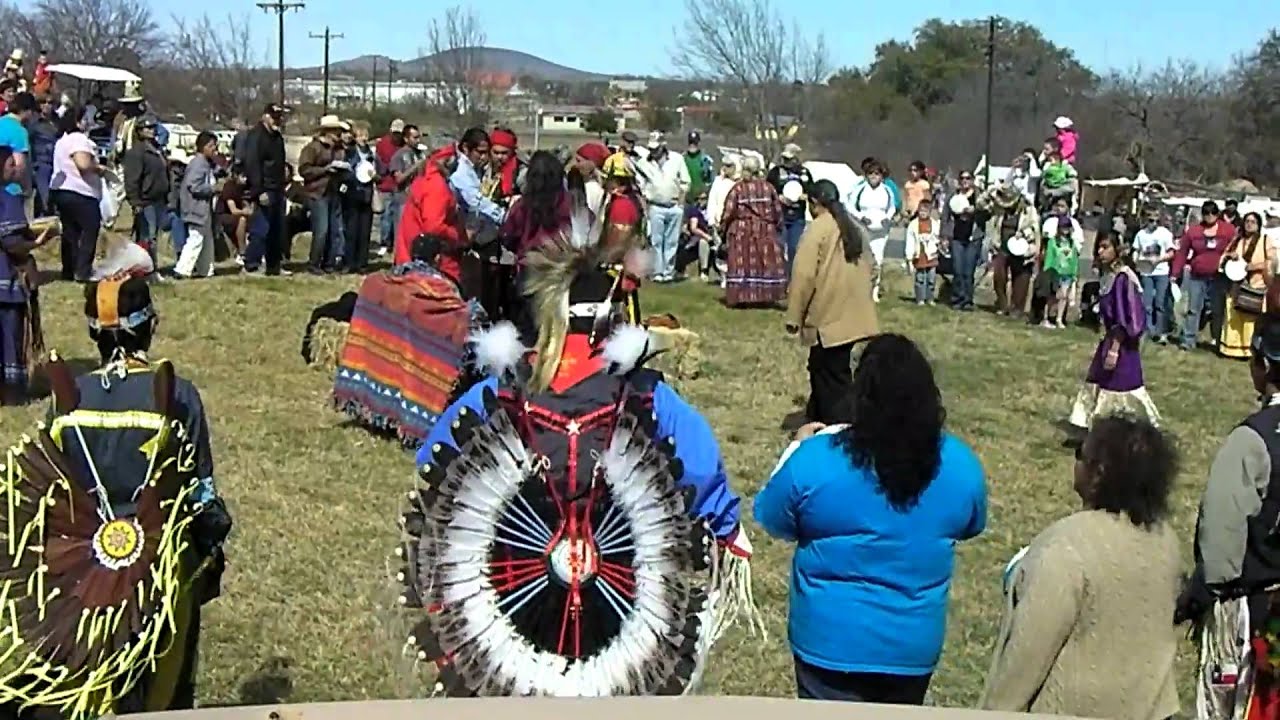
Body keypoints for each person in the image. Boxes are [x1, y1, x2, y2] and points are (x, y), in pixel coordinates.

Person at [404, 227, 758, 697]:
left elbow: (437, 464)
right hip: (625, 602)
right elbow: (700, 480)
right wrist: (725, 529)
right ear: (613, 327)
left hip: (504, 599)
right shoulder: (650, 398)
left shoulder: (499, 394)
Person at [0, 247, 232, 717]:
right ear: (150, 326)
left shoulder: (71, 396)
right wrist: (209, 550)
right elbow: (200, 493)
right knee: (161, 684)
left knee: (84, 671)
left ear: (94, 333)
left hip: (80, 568)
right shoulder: (175, 393)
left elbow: (54, 486)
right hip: (158, 570)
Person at [754, 333, 987, 703]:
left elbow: (772, 517)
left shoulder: (815, 459)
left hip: (828, 642)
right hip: (911, 646)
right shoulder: (961, 465)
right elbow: (973, 523)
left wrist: (796, 446)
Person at [980, 416, 1180, 719]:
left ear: (1098, 473)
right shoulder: (1166, 539)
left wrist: (995, 712)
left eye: (1080, 455)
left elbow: (1026, 656)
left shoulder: (1064, 548)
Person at [786, 179, 878, 425]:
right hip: (852, 314)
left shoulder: (817, 229)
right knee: (821, 368)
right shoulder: (853, 226)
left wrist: (794, 316)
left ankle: (840, 428)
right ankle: (815, 418)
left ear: (814, 203)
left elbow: (803, 276)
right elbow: (873, 268)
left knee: (831, 377)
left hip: (829, 317)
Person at [1068, 233, 1159, 433]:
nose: (1100, 252)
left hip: (1121, 345)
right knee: (1100, 382)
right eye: (1099, 248)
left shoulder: (1123, 279)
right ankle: (1099, 429)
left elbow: (1125, 319)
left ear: (1117, 249)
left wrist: (1114, 350)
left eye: (1105, 247)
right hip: (1108, 340)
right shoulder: (1109, 276)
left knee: (1119, 386)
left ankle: (1123, 430)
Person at [0, 147, 49, 405]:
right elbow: (11, 242)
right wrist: (37, 242)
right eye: (10, 164)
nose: (15, 168)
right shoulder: (7, 200)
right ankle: (10, 392)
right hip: (5, 282)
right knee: (10, 335)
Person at [721, 155, 785, 308]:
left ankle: (742, 297)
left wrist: (723, 228)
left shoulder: (738, 189)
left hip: (743, 230)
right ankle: (765, 296)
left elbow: (729, 211)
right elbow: (777, 211)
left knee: (743, 263)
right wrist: (778, 226)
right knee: (765, 263)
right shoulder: (769, 188)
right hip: (765, 230)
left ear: (748, 171)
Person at [1172, 200, 1236, 352]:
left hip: (1218, 276)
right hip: (1197, 275)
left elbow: (1236, 244)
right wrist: (1175, 272)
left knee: (1217, 310)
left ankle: (1219, 341)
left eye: (1213, 213)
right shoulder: (1194, 231)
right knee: (1194, 308)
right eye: (1206, 213)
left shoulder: (1228, 230)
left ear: (1217, 214)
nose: (1210, 216)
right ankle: (1189, 340)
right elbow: (1182, 253)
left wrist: (1233, 256)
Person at [395, 144, 466, 280]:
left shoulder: (424, 177)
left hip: (410, 249)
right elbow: (434, 227)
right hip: (428, 260)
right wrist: (458, 235)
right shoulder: (436, 186)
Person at [51, 110, 102, 282]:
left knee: (70, 232)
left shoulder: (61, 141)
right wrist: (98, 168)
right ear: (78, 122)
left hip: (61, 191)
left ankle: (68, 269)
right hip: (80, 191)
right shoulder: (78, 139)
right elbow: (83, 163)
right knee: (89, 230)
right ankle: (83, 270)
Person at [241, 103, 289, 276]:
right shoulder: (256, 137)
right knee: (261, 229)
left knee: (277, 230)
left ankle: (273, 265)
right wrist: (259, 191)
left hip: (277, 188)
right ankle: (251, 264)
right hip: (264, 188)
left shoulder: (277, 137)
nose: (277, 121)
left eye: (279, 118)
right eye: (273, 117)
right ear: (265, 116)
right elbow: (253, 165)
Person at [296, 115, 349, 274]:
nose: (339, 134)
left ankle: (329, 263)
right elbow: (304, 170)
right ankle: (314, 263)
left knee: (335, 230)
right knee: (322, 229)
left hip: (334, 191)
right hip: (317, 192)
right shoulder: (312, 148)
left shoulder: (340, 149)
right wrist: (325, 170)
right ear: (327, 131)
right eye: (336, 131)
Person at [636, 132, 690, 282]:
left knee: (672, 241)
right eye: (651, 149)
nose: (653, 152)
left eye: (656, 148)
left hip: (674, 206)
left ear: (663, 146)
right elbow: (640, 186)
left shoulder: (677, 159)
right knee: (656, 240)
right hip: (655, 206)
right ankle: (657, 272)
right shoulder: (643, 163)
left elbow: (685, 182)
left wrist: (680, 204)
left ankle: (668, 271)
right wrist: (645, 207)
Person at [1219, 212, 1272, 360]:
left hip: (1255, 284)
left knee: (1250, 318)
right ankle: (1231, 349)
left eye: (1253, 222)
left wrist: (1255, 266)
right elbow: (1224, 256)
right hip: (1236, 285)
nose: (1249, 224)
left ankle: (1248, 350)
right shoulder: (1237, 240)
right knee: (1233, 316)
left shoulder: (1265, 240)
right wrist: (1231, 256)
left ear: (1258, 225)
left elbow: (1272, 261)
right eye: (1247, 221)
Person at [122, 114, 171, 262]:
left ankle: (151, 267)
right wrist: (135, 202)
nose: (151, 130)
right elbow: (132, 179)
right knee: (147, 236)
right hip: (145, 200)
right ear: (140, 131)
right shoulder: (136, 152)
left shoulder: (157, 150)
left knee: (154, 236)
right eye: (147, 127)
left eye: (153, 127)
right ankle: (146, 269)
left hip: (159, 199)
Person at [174, 131, 219, 280]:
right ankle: (182, 269)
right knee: (196, 238)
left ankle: (206, 269)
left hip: (203, 209)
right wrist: (214, 189)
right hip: (196, 208)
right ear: (202, 147)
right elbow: (193, 186)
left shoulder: (206, 164)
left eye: (215, 146)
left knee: (206, 240)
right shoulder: (198, 163)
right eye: (211, 146)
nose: (214, 149)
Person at [849, 159, 895, 303]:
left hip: (881, 230)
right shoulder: (860, 188)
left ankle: (875, 291)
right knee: (863, 259)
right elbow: (849, 205)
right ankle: (861, 290)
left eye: (877, 173)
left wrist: (888, 217)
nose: (874, 176)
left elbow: (892, 206)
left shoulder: (887, 189)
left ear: (882, 176)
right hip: (864, 228)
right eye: (871, 173)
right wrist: (861, 217)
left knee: (878, 260)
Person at [942, 170, 989, 311]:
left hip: (973, 237)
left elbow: (988, 213)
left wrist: (975, 210)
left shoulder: (979, 196)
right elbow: (945, 216)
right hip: (957, 237)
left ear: (972, 180)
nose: (965, 181)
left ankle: (967, 300)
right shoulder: (953, 196)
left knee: (968, 271)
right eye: (962, 178)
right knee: (957, 269)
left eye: (968, 178)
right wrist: (944, 236)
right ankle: (957, 299)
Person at [767, 143, 814, 277]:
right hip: (779, 215)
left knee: (794, 248)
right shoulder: (775, 172)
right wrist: (778, 197)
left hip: (797, 217)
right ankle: (778, 276)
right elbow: (767, 191)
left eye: (790, 159)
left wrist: (803, 196)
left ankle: (792, 278)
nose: (786, 162)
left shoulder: (805, 173)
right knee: (779, 247)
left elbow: (812, 192)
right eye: (785, 159)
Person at [1133, 206, 1176, 343]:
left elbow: (1171, 252)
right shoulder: (1141, 234)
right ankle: (1148, 330)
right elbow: (1136, 250)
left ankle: (1161, 331)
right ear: (1146, 219)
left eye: (1157, 220)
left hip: (1161, 271)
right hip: (1146, 272)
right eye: (1151, 220)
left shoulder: (1165, 233)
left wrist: (1159, 259)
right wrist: (1136, 259)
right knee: (1146, 303)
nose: (1154, 223)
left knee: (1160, 302)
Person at [341, 120, 376, 273]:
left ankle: (362, 263)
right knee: (352, 230)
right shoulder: (349, 152)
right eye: (360, 135)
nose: (363, 138)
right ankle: (349, 262)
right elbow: (344, 171)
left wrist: (375, 175)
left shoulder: (371, 154)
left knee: (364, 230)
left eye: (366, 135)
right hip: (353, 193)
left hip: (367, 193)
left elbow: (379, 172)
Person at [375, 118, 406, 255]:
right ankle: (385, 242)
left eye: (399, 133)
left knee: (398, 216)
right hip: (386, 183)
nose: (397, 136)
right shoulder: (382, 144)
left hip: (400, 186)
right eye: (395, 133)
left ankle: (396, 242)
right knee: (386, 215)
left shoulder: (405, 146)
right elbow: (379, 163)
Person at [1043, 216, 1080, 329]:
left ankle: (1059, 319)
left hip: (1067, 273)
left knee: (1063, 296)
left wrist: (1074, 274)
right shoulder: (1052, 241)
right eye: (1063, 227)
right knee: (1052, 296)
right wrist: (1047, 270)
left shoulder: (1072, 243)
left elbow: (1074, 259)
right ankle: (1046, 317)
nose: (1065, 229)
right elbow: (1049, 256)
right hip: (1055, 272)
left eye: (1067, 227)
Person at [905, 197, 940, 305]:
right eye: (921, 211)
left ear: (930, 212)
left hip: (931, 256)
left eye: (925, 211)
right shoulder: (913, 225)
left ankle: (930, 298)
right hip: (919, 255)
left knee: (931, 279)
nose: (923, 213)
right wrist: (909, 256)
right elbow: (910, 241)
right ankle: (920, 298)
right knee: (920, 278)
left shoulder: (934, 224)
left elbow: (938, 238)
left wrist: (932, 241)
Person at [27, 93, 58, 218]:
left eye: (50, 103)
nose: (47, 105)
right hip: (41, 164)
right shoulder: (34, 123)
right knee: (44, 197)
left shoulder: (57, 121)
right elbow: (28, 143)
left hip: (56, 162)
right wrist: (32, 164)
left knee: (53, 197)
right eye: (43, 102)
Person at [683, 130, 714, 204]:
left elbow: (711, 180)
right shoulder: (682, 159)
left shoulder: (705, 159)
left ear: (698, 143)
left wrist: (706, 193)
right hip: (685, 200)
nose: (692, 145)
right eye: (691, 142)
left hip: (701, 200)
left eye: (695, 143)